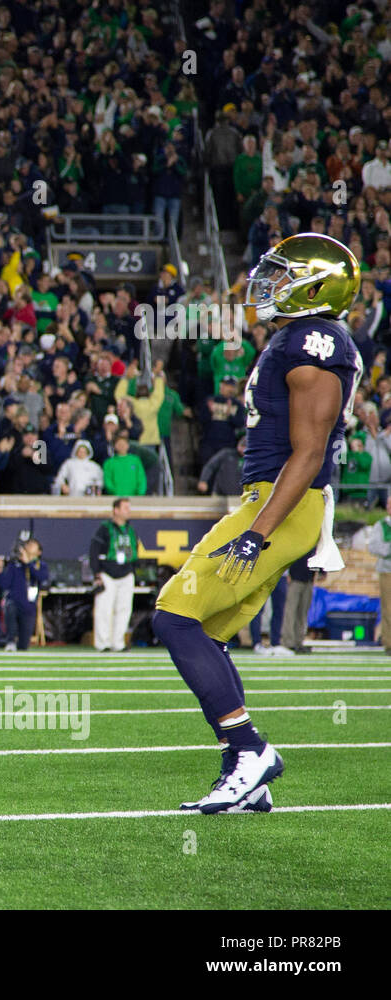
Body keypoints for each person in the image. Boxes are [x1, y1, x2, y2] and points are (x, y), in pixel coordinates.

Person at [152, 233, 363, 813]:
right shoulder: (297, 339)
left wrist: (255, 530)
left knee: (174, 616)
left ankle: (249, 749)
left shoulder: (314, 342)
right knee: (209, 634)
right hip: (275, 501)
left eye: (281, 275)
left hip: (281, 503)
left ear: (314, 287)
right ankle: (247, 774)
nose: (266, 285)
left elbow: (309, 453)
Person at [89, 497, 139, 652]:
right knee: (104, 609)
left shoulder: (131, 530)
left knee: (124, 609)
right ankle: (102, 643)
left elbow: (136, 550)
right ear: (115, 510)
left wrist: (133, 570)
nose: (128, 511)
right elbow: (94, 551)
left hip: (126, 573)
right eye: (125, 508)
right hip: (107, 573)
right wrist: (96, 572)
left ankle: (118, 642)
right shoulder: (104, 528)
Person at [0, 538, 48, 651]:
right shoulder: (15, 566)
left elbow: (42, 578)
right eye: (28, 544)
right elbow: (4, 584)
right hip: (14, 603)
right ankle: (9, 640)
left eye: (33, 545)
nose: (29, 546)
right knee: (10, 608)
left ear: (39, 552)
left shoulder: (40, 565)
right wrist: (0, 570)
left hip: (28, 607)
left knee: (23, 646)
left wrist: (28, 563)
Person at [357, 494, 391, 655]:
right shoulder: (382, 525)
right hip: (387, 570)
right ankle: (389, 643)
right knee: (388, 608)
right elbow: (374, 547)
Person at [279, 554, 318, 654]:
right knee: (290, 612)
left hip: (309, 578)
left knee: (302, 613)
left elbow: (318, 554)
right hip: (295, 578)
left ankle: (299, 642)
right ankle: (288, 642)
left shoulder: (314, 541)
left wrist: (321, 571)